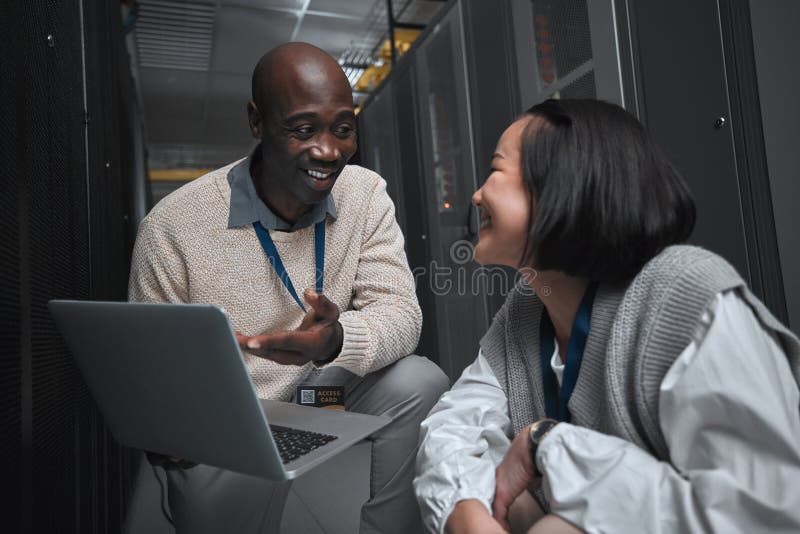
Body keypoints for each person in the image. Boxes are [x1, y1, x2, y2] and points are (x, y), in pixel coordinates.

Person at [414, 99, 800, 534]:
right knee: (486, 484)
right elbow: (453, 424)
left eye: (496, 170)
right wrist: (461, 511)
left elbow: (763, 514)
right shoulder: (526, 308)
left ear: (562, 185)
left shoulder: (683, 293)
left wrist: (547, 445)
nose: (477, 195)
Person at [129, 42, 448, 533]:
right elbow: (152, 376)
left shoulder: (364, 194)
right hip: (233, 423)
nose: (329, 151)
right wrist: (172, 428)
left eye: (343, 129)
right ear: (257, 122)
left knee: (419, 380)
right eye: (303, 130)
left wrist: (335, 339)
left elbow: (402, 315)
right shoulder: (173, 227)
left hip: (321, 391)